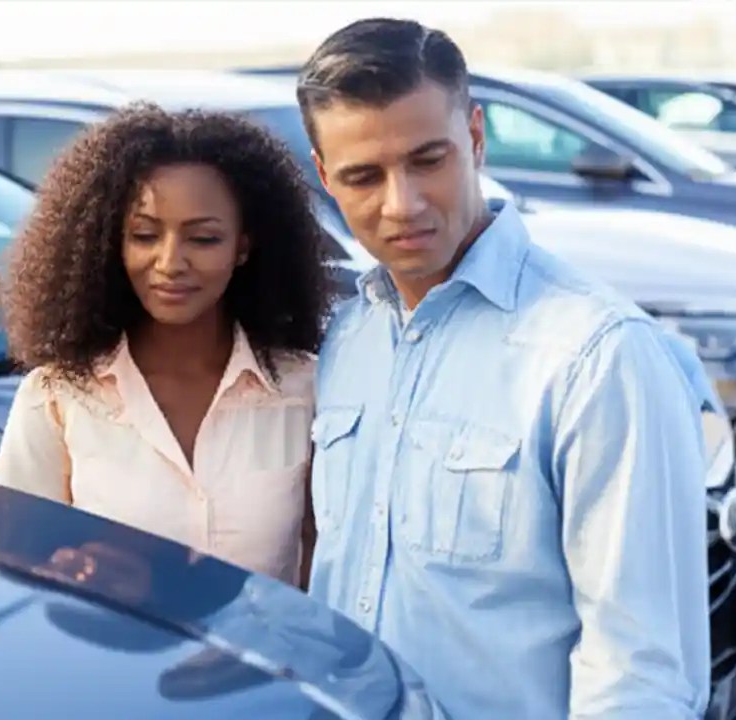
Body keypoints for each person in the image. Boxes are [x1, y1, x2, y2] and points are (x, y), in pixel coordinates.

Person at [297, 17, 711, 719]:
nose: (402, 204)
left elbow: (642, 674)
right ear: (324, 175)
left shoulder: (599, 354)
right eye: (364, 176)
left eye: (429, 159)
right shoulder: (345, 340)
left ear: (477, 137)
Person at [0, 103, 332, 588]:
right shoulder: (56, 398)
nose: (170, 262)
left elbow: (320, 567)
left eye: (204, 238)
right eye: (145, 235)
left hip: (266, 663)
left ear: (243, 247)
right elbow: (13, 572)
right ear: (112, 243)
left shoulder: (307, 389)